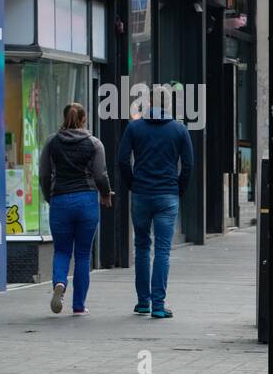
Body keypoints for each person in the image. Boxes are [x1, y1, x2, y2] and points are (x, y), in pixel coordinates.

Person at [117, 98, 194, 319]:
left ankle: (143, 302)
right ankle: (158, 305)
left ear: (149, 104)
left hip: (141, 194)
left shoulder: (134, 127)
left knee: (141, 247)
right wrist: (180, 188)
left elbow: (123, 160)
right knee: (162, 251)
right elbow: (188, 163)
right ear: (168, 105)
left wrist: (132, 183)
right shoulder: (179, 129)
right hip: (167, 194)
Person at [39, 103, 112, 316]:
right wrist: (106, 195)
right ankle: (79, 305)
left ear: (64, 117)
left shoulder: (52, 142)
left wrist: (49, 196)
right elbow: (100, 175)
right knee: (82, 254)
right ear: (84, 119)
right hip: (87, 201)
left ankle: (59, 284)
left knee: (61, 251)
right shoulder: (94, 143)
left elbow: (44, 174)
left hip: (60, 199)